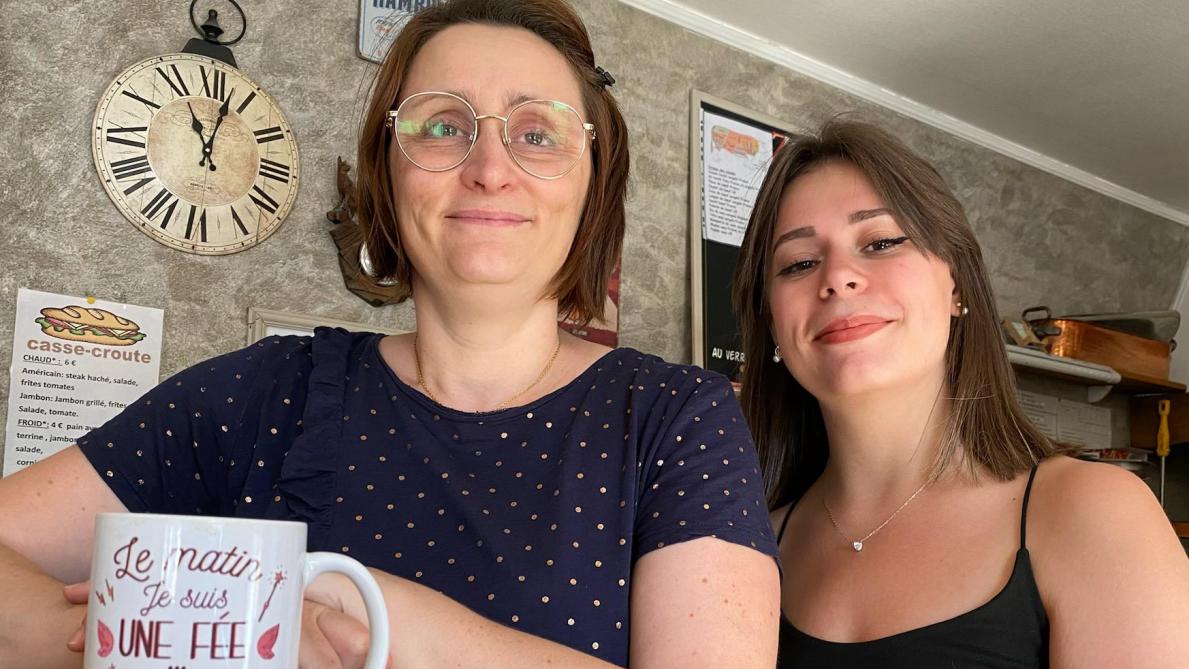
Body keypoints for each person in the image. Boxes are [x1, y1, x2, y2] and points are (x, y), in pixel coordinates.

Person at [0, 1, 780, 667]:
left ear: (593, 181)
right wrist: (149, 631)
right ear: (386, 168)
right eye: (441, 124)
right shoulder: (264, 390)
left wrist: (369, 610)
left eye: (537, 133)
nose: (488, 167)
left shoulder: (677, 417)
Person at [730, 118, 1189, 668]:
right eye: (799, 263)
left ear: (957, 286)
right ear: (772, 323)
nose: (838, 278)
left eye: (880, 242)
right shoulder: (744, 544)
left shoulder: (1090, 510)